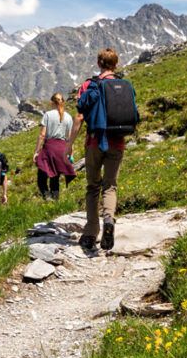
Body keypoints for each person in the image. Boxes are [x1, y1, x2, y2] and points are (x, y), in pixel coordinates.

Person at [69, 48, 127, 251]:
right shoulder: (123, 85)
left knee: (93, 186)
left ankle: (91, 231)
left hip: (94, 142)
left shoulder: (88, 85)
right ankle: (109, 221)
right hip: (117, 142)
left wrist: (69, 144)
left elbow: (79, 117)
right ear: (116, 64)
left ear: (99, 63)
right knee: (110, 186)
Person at [33, 92, 76, 200]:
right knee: (55, 177)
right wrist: (71, 153)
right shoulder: (68, 117)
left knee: (41, 177)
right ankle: (55, 200)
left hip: (49, 148)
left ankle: (47, 196)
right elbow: (69, 138)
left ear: (52, 102)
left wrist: (37, 152)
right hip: (62, 148)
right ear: (63, 102)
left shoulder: (48, 115)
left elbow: (42, 135)